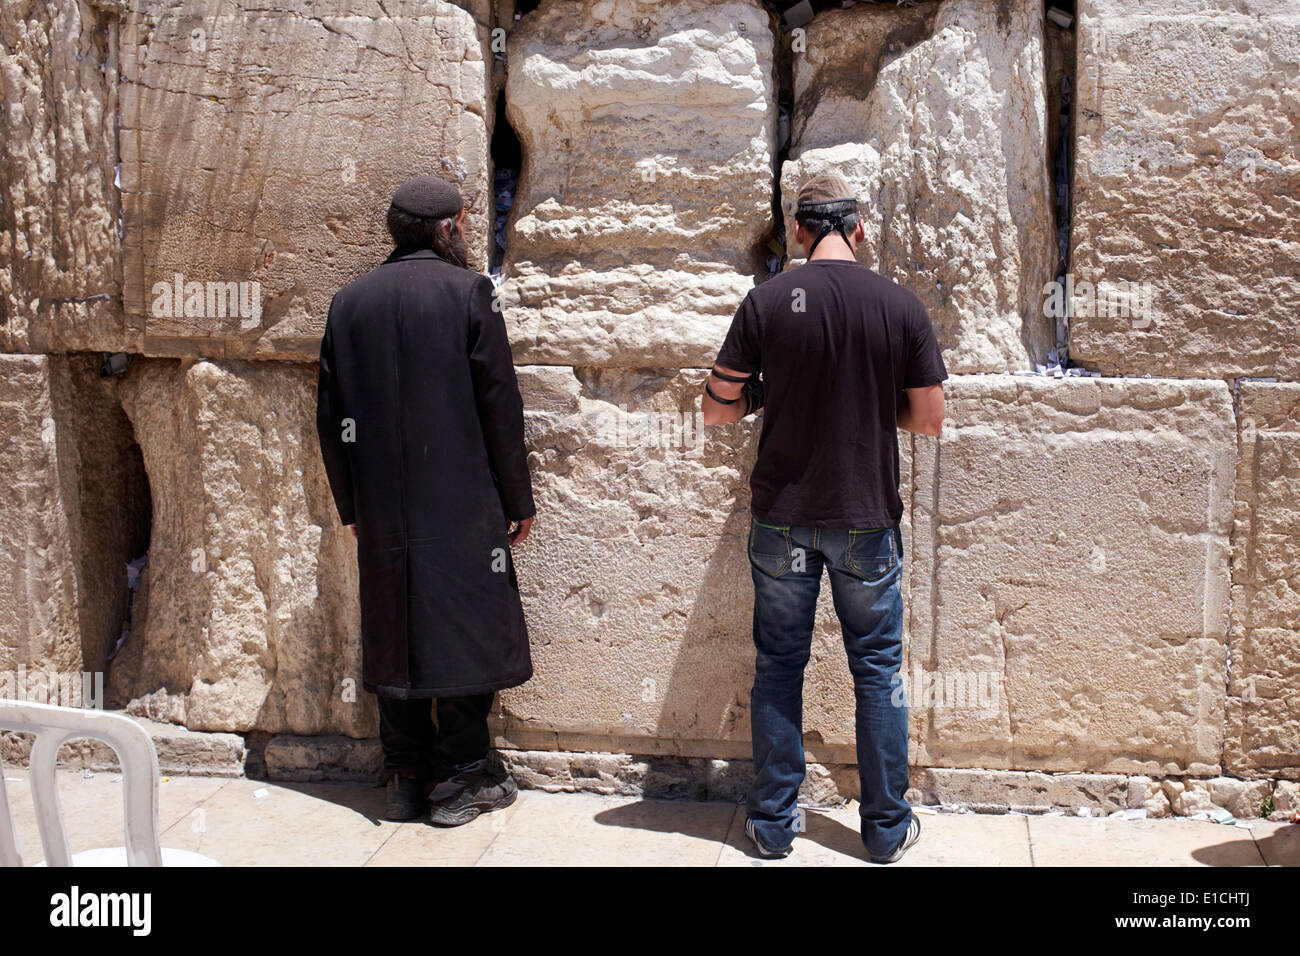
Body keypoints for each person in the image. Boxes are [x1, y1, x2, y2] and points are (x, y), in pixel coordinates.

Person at [702, 171, 947, 863]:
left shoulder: (767, 301)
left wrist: (766, 399)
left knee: (779, 665)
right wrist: (874, 407)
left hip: (782, 518)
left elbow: (718, 406)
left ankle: (775, 827)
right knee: (876, 670)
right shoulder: (900, 306)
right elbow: (928, 420)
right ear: (860, 229)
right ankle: (886, 829)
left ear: (799, 233)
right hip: (866, 518)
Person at [316, 175, 536, 825]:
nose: (466, 232)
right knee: (466, 631)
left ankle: (406, 773)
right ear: (446, 230)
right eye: (463, 223)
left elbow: (331, 418)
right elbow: (501, 407)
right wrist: (517, 499)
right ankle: (462, 777)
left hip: (384, 506)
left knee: (397, 629)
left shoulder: (348, 303)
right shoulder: (471, 294)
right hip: (464, 501)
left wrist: (352, 507)